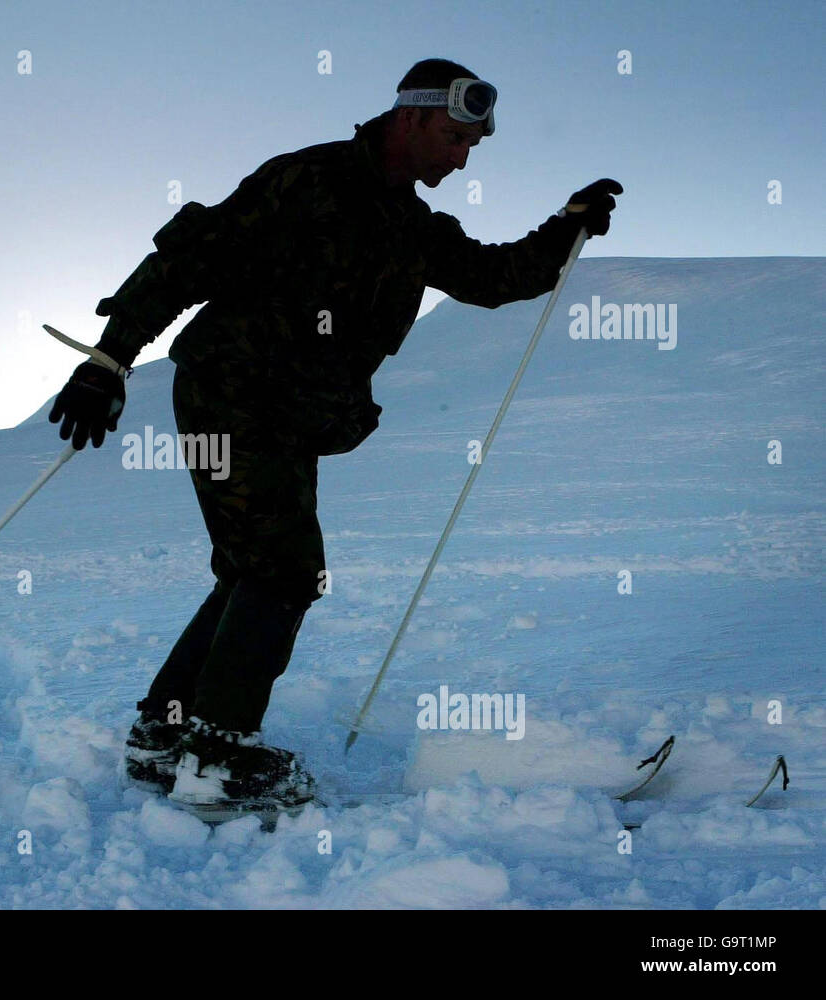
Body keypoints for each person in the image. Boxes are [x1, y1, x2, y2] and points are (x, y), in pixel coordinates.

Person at [48, 57, 621, 813]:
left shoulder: (412, 225)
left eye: (472, 147)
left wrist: (567, 226)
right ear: (409, 116)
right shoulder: (305, 180)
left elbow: (495, 276)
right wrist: (110, 358)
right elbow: (190, 259)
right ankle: (217, 759)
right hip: (234, 390)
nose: (460, 157)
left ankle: (165, 733)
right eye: (452, 137)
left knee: (253, 570)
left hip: (296, 416)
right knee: (284, 570)